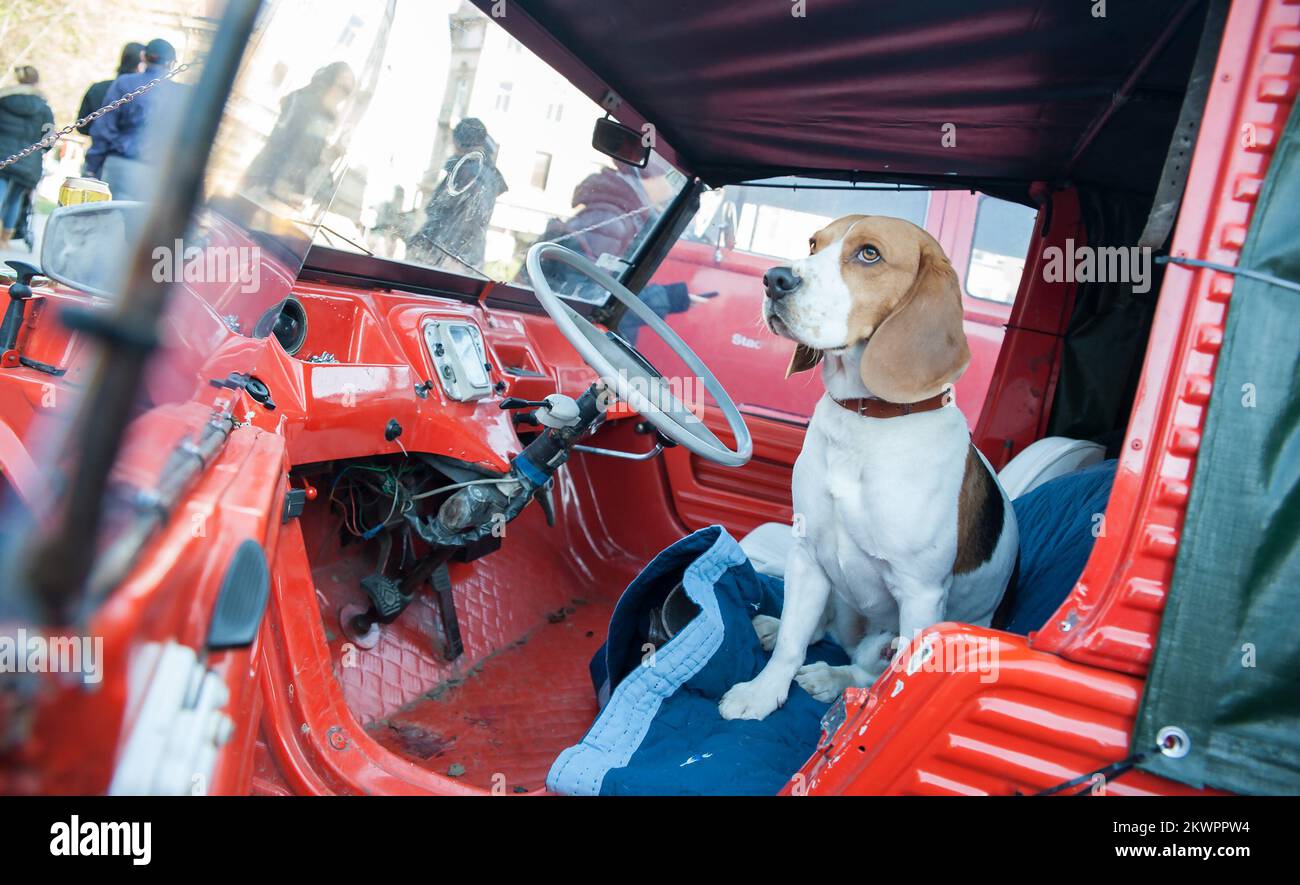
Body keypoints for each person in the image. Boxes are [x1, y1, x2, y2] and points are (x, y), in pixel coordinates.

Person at [85, 38, 181, 201]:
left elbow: (104, 127)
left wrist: (92, 166)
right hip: (155, 172)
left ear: (143, 57)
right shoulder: (179, 94)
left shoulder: (125, 83)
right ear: (172, 63)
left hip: (120, 164)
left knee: (110, 217)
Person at [407, 118, 507, 272]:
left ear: (458, 142)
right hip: (467, 262)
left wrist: (424, 243)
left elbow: (447, 219)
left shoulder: (467, 171)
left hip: (447, 261)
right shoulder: (487, 174)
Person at [0, 66, 53, 248]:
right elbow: (49, 139)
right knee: (15, 200)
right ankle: (4, 239)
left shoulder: (4, 100)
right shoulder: (44, 107)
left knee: (0, 192)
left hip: (2, 155)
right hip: (27, 160)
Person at [77, 42, 145, 169]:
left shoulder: (97, 88)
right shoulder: (143, 95)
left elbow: (82, 127)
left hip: (96, 159)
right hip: (127, 162)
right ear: (141, 63)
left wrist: (99, 133)